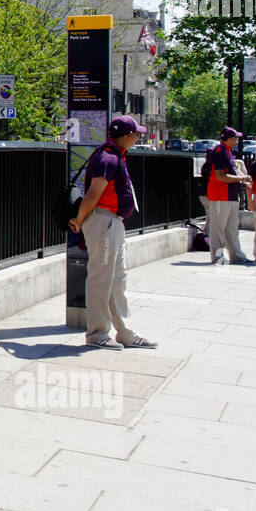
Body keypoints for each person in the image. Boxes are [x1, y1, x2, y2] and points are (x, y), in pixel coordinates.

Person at [67, 115, 158, 350]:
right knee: (101, 279)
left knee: (117, 279)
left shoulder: (113, 154)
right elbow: (93, 194)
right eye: (136, 134)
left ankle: (125, 332)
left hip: (112, 222)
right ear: (127, 135)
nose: (138, 137)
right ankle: (97, 334)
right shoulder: (108, 157)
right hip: (103, 222)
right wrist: (79, 219)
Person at [205, 127, 253, 265]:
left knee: (232, 228)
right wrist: (242, 178)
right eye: (235, 138)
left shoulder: (228, 152)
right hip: (220, 195)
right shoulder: (219, 151)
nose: (236, 140)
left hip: (230, 195)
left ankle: (237, 256)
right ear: (228, 138)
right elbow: (220, 176)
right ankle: (218, 256)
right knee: (218, 228)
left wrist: (241, 180)